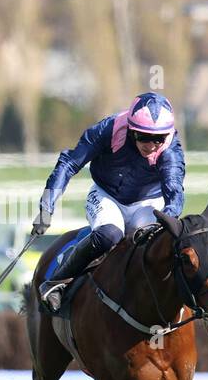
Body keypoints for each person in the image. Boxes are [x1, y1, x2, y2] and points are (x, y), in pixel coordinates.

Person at [34, 91, 185, 310]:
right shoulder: (109, 130)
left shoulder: (171, 152)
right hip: (106, 195)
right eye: (143, 136)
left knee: (149, 240)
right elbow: (69, 163)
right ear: (131, 129)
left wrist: (167, 221)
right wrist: (46, 208)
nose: (151, 145)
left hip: (148, 203)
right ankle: (57, 281)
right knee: (109, 235)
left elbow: (174, 194)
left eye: (158, 138)